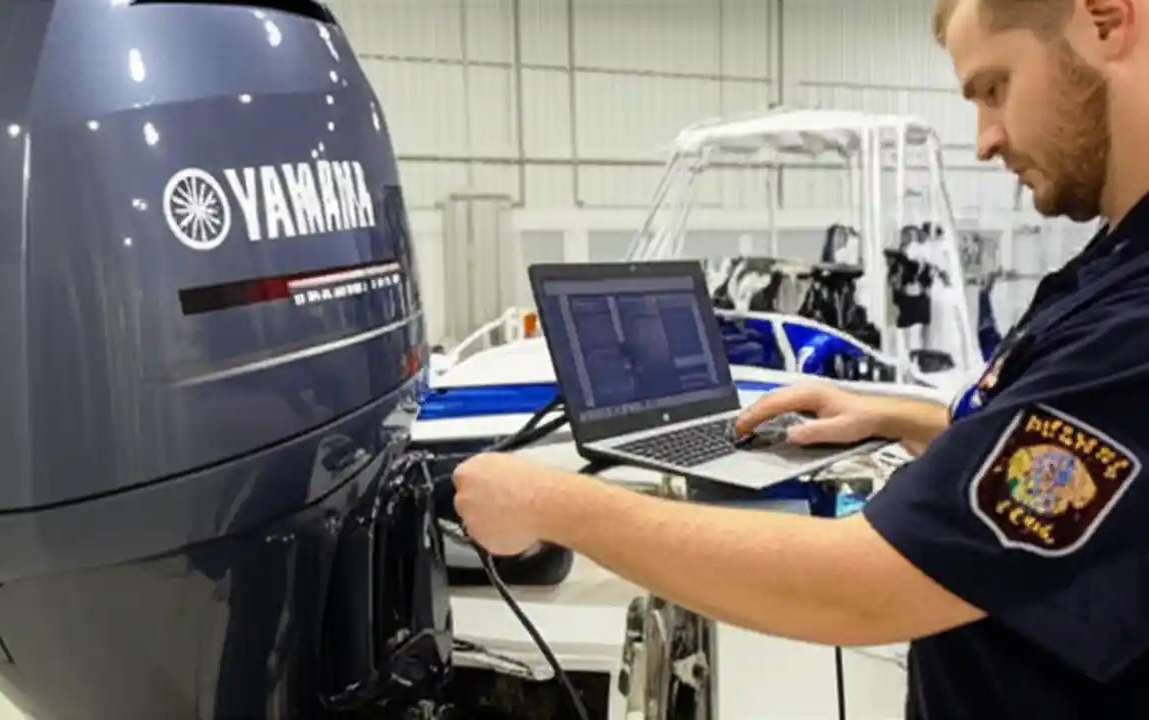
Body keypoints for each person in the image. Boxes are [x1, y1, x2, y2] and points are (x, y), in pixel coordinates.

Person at [452, 0, 1149, 716]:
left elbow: (869, 584)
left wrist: (554, 505)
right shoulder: (1111, 264)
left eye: (994, 87)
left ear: (1105, 18)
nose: (984, 140)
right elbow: (1071, 467)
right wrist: (899, 416)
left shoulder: (1134, 320)